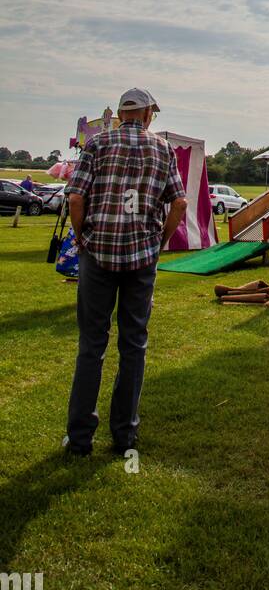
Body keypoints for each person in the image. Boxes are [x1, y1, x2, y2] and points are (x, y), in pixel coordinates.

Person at [63, 88, 187, 456]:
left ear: (120, 114)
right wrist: (159, 242)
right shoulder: (162, 149)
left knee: (91, 345)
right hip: (141, 256)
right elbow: (178, 202)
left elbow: (75, 197)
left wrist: (83, 238)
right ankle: (124, 434)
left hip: (98, 254)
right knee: (134, 344)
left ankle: (80, 437)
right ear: (148, 115)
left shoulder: (98, 145)